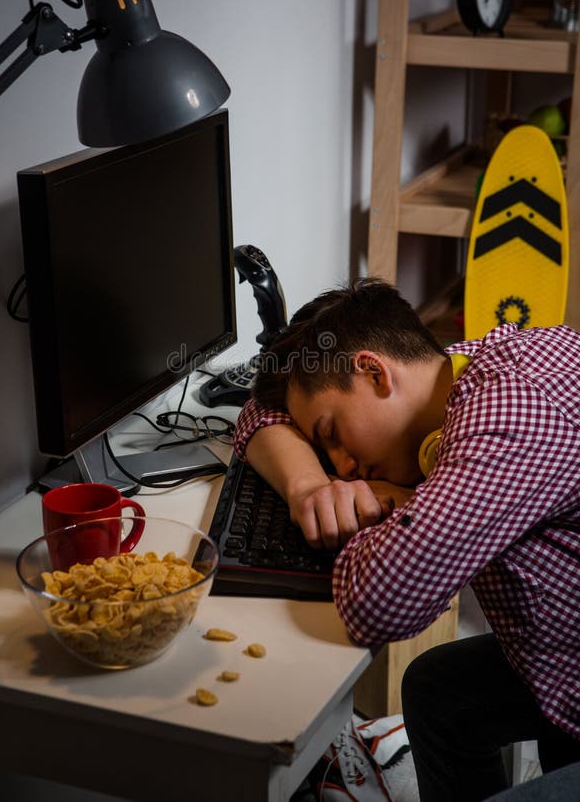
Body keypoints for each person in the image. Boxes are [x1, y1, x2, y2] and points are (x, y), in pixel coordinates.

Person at [233, 277, 580, 801]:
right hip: (563, 653)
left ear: (374, 371)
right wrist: (308, 485)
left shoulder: (512, 414)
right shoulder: (452, 371)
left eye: (331, 436)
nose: (343, 469)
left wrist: (396, 506)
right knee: (434, 691)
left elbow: (381, 600)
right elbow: (258, 413)